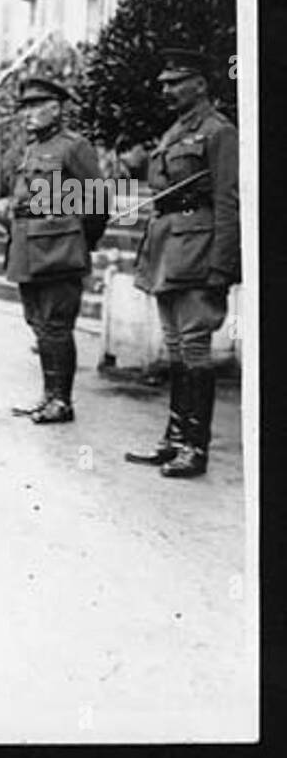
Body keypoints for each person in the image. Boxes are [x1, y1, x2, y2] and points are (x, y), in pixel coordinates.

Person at [123, 47, 239, 478]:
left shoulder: (218, 132)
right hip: (168, 249)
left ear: (200, 84)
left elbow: (229, 201)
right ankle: (173, 440)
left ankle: (196, 446)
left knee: (194, 346)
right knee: (175, 347)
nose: (166, 89)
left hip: (199, 250)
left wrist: (223, 266)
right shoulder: (174, 132)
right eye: (164, 83)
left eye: (175, 82)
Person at [5, 77, 108, 424]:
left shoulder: (73, 147)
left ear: (57, 108)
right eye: (26, 108)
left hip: (58, 250)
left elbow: (97, 201)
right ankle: (48, 396)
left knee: (57, 325)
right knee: (38, 323)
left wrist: (80, 241)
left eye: (36, 106)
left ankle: (61, 402)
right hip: (28, 248)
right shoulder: (33, 149)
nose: (28, 115)